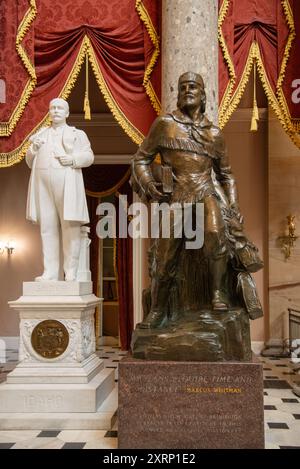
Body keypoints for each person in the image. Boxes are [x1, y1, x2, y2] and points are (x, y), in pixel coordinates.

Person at [132, 72, 262, 328]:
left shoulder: (214, 133)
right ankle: (158, 310)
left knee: (215, 235)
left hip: (205, 192)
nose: (188, 90)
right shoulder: (165, 124)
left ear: (203, 95)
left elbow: (226, 175)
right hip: (177, 196)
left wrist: (233, 206)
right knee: (165, 253)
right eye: (183, 87)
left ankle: (218, 294)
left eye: (193, 87)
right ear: (178, 94)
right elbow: (141, 158)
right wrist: (148, 183)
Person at [26, 98, 94, 281]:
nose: (55, 111)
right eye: (52, 108)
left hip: (66, 181)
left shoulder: (77, 134)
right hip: (42, 182)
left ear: (67, 113)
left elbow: (89, 156)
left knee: (69, 226)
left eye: (60, 108)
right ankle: (50, 272)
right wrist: (33, 148)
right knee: (47, 227)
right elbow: (29, 161)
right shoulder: (40, 135)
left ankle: (70, 270)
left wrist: (72, 159)